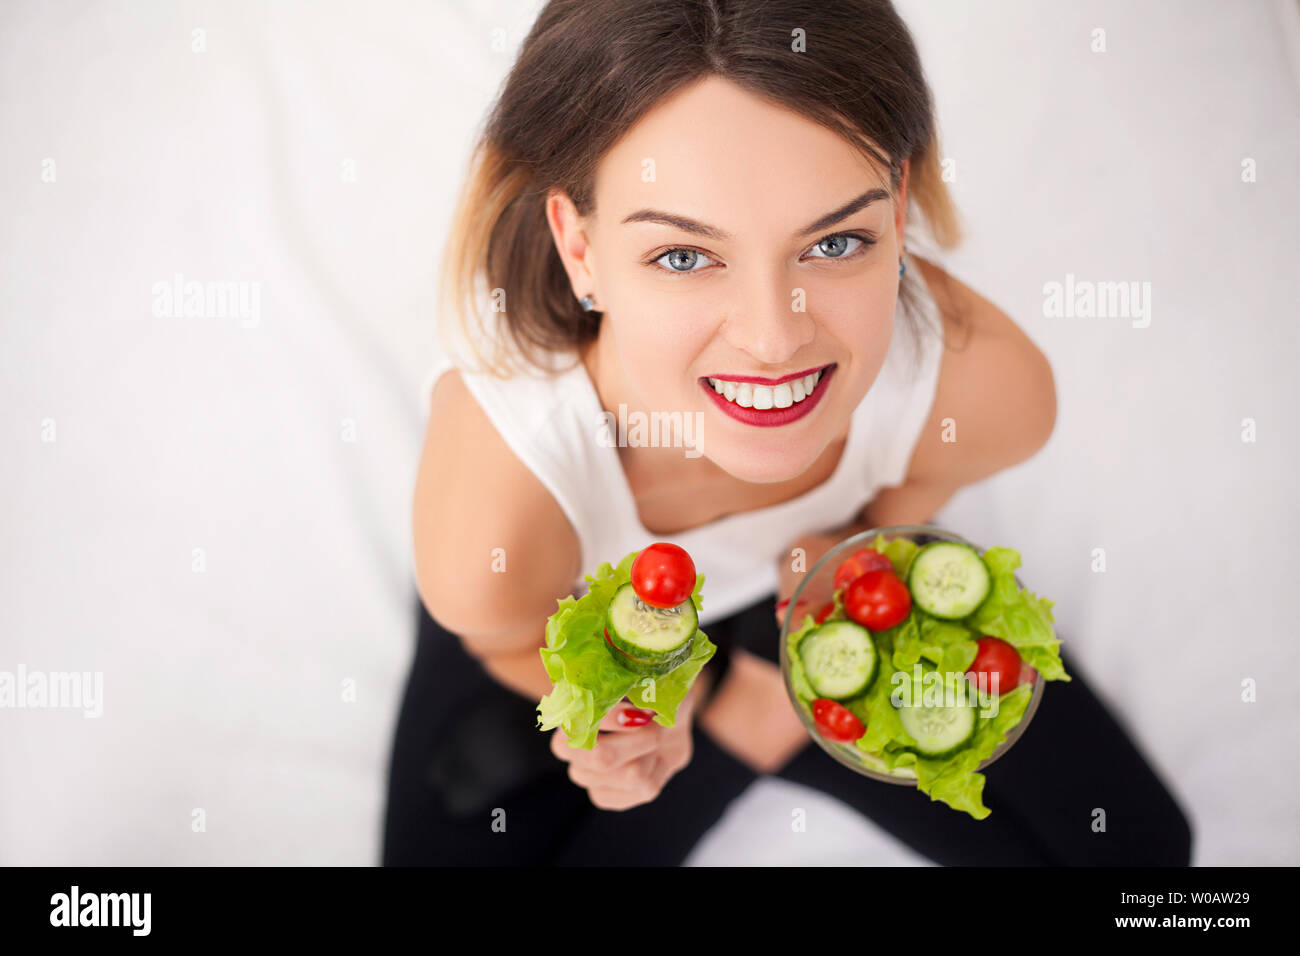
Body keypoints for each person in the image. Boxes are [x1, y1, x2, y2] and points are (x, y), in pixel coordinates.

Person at [384, 0, 1193, 866]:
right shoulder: (499, 515)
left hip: (809, 596)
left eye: (836, 242)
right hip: (575, 610)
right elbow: (504, 637)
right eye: (685, 256)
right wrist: (656, 704)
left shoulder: (984, 393)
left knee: (1143, 859)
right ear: (578, 248)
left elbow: (896, 511)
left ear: (899, 204)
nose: (773, 343)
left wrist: (830, 573)